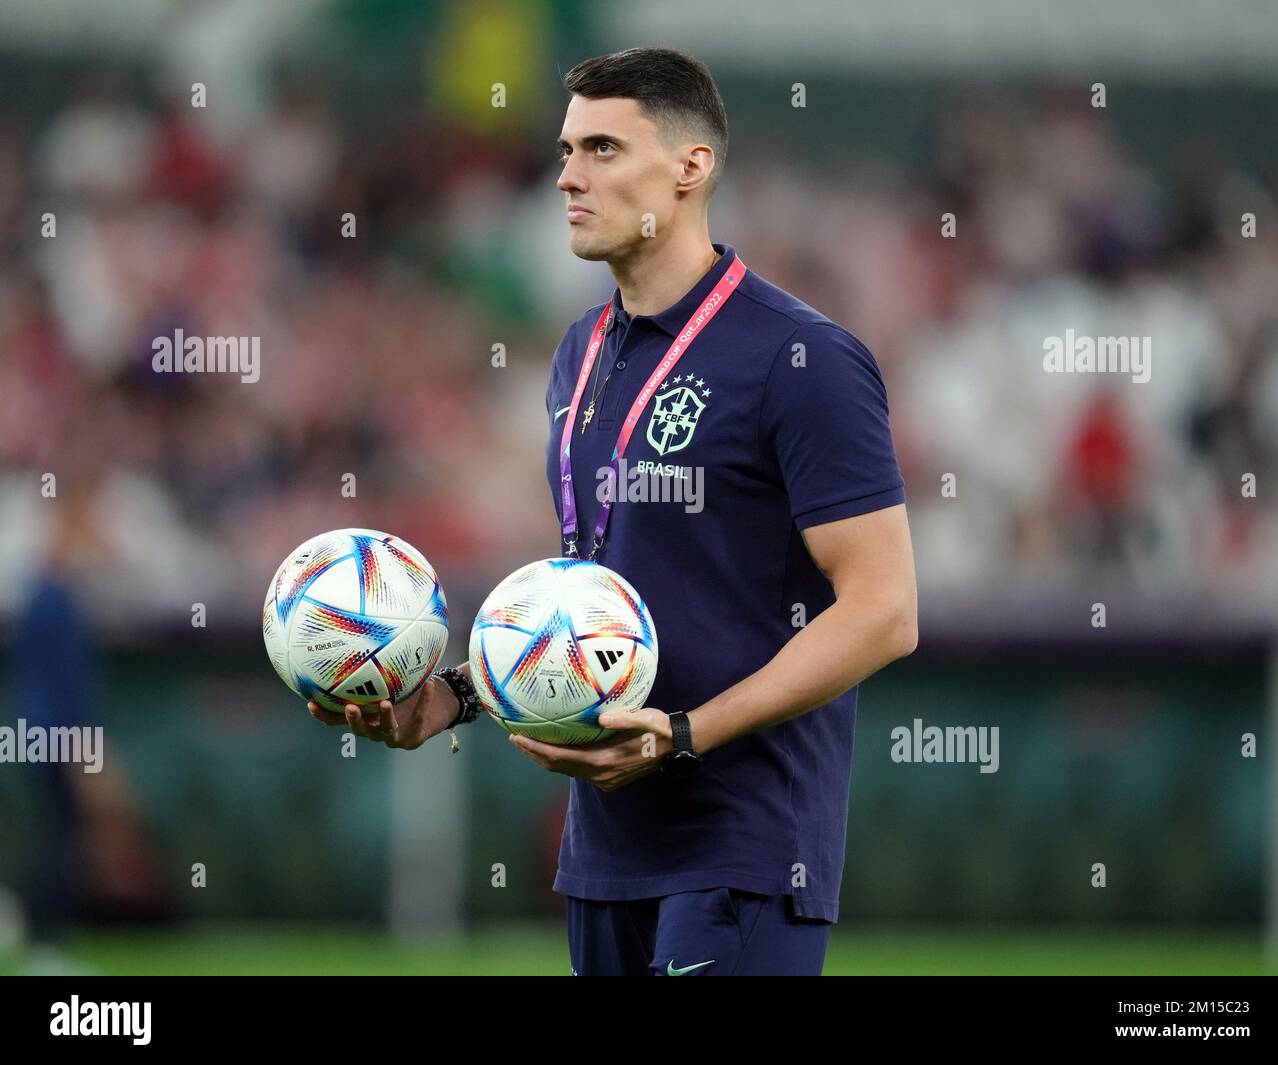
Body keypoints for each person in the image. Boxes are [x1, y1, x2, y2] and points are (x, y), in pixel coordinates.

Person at [310, 47, 917, 976]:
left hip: (746, 841)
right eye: (565, 150)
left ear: (690, 167)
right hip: (605, 851)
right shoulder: (578, 353)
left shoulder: (805, 360)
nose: (566, 176)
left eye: (601, 148)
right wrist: (453, 698)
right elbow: (596, 593)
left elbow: (884, 611)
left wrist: (686, 733)